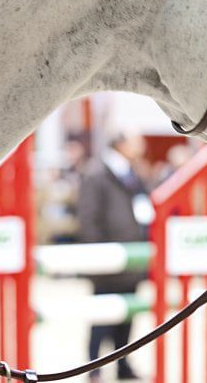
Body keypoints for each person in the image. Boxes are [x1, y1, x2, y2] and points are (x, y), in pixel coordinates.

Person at [77, 130, 155, 381]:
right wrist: (97, 253)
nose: (139, 146)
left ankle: (123, 363)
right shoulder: (97, 173)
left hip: (132, 256)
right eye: (134, 142)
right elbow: (88, 218)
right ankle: (94, 366)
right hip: (107, 258)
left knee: (128, 315)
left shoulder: (130, 172)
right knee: (102, 316)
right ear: (121, 144)